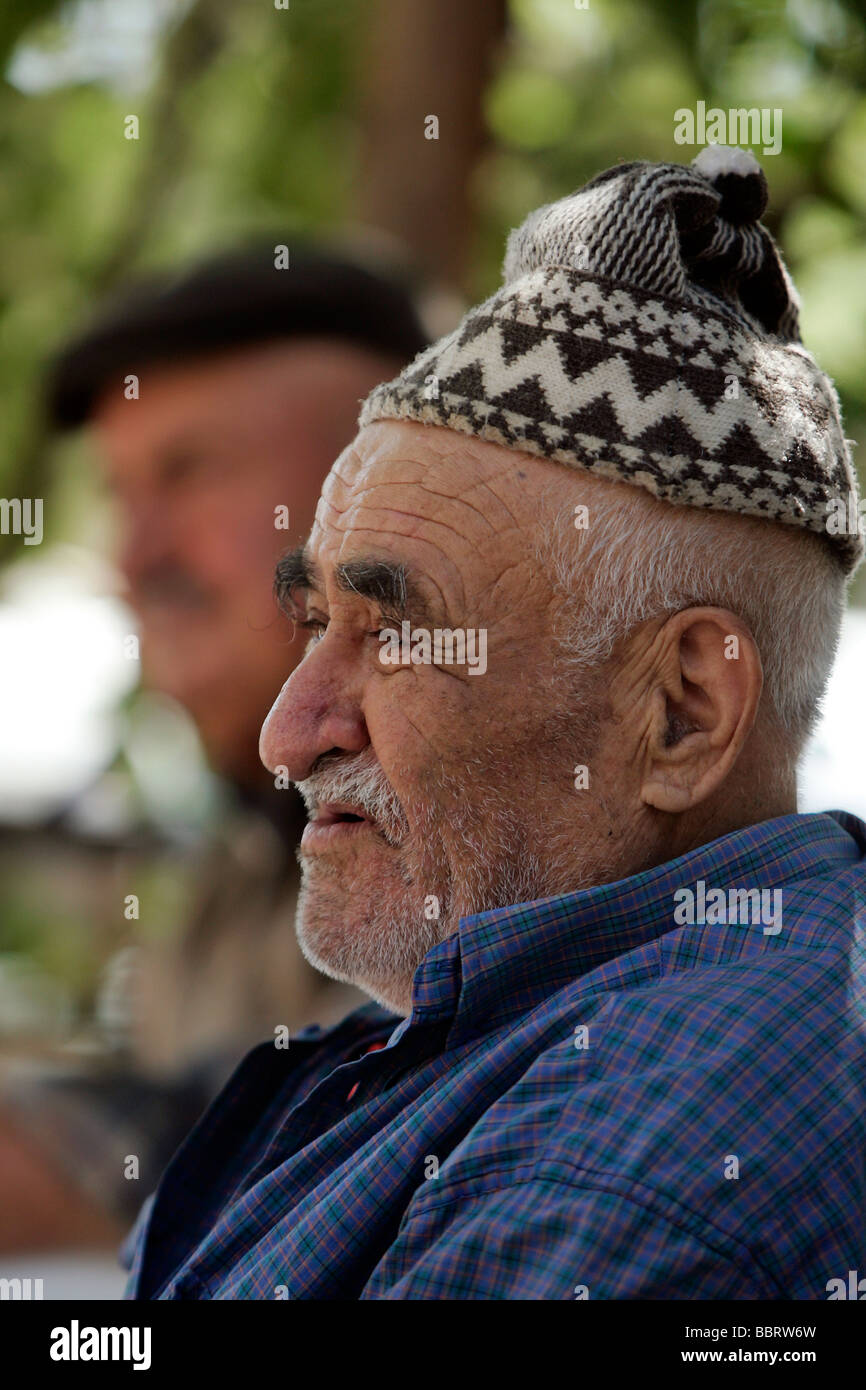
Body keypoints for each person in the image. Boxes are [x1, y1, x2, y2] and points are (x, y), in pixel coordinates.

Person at [124, 149, 865, 1300]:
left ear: (682, 711)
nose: (292, 731)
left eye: (399, 635)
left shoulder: (613, 1174)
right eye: (316, 620)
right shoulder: (606, 1029)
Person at [0, 245, 429, 1248]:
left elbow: (297, 1147)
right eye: (119, 492)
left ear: (380, 494)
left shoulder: (497, 838)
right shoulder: (242, 860)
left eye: (187, 472)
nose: (132, 558)